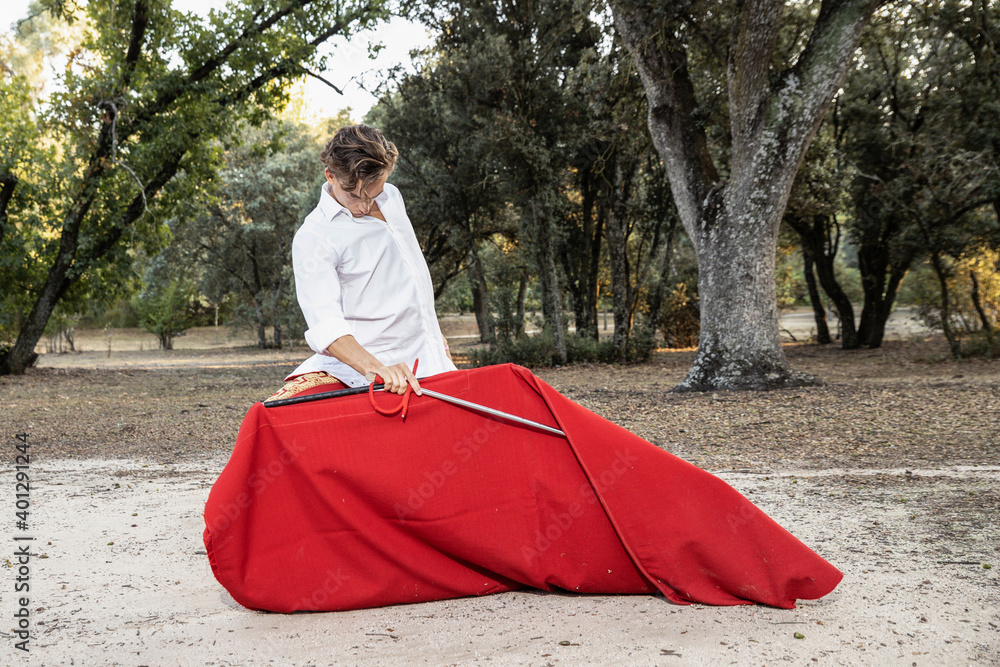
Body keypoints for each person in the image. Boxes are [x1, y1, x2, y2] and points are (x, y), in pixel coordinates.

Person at [279, 124, 457, 399]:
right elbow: (325, 325)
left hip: (433, 361)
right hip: (372, 375)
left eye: (372, 194)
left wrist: (433, 330)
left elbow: (408, 275)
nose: (363, 206)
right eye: (353, 195)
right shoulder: (313, 237)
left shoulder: (393, 196)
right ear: (331, 175)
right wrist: (377, 368)